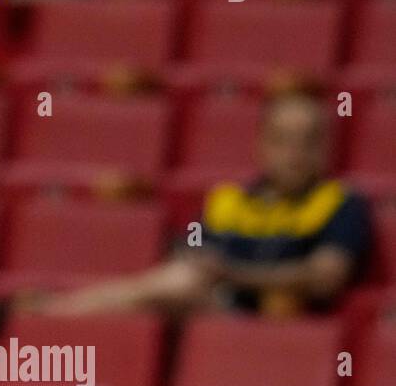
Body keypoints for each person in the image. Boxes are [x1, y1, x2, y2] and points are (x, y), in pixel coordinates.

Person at [51, 91, 373, 318]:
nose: (295, 155)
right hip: (208, 308)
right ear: (261, 144)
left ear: (327, 146)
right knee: (176, 281)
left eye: (308, 141)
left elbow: (324, 279)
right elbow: (193, 246)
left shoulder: (341, 203)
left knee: (178, 284)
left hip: (275, 320)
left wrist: (232, 274)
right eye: (282, 140)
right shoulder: (227, 200)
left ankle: (58, 313)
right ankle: (64, 315)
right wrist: (193, 255)